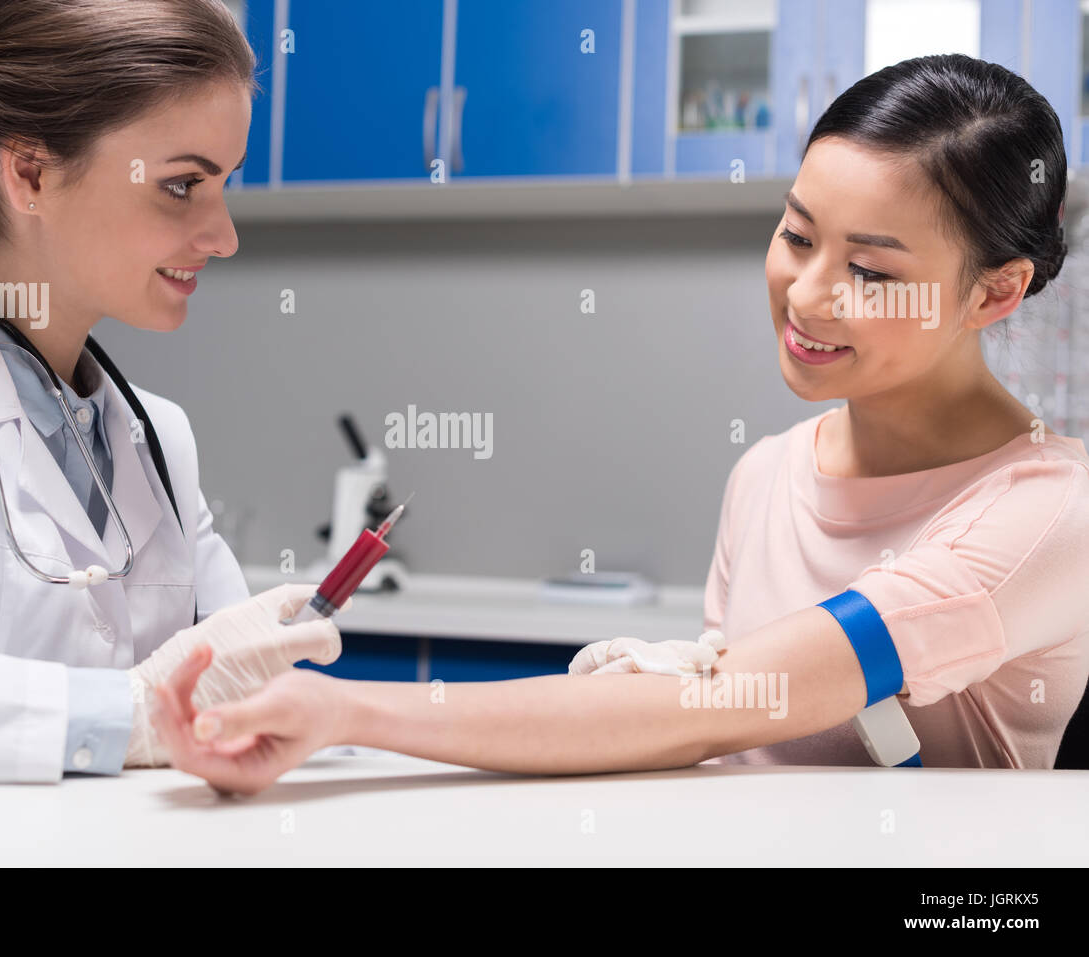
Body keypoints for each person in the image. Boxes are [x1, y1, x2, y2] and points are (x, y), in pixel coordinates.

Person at [160, 54, 1089, 794]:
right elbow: (712, 737)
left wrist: (344, 710)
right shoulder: (767, 472)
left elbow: (718, 704)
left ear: (997, 289)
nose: (806, 296)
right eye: (798, 237)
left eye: (873, 273)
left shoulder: (1052, 511)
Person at [0, 0, 341, 782]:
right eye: (182, 185)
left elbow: (232, 711)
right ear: (30, 174)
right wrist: (113, 713)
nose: (224, 236)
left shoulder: (156, 441)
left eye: (225, 185)